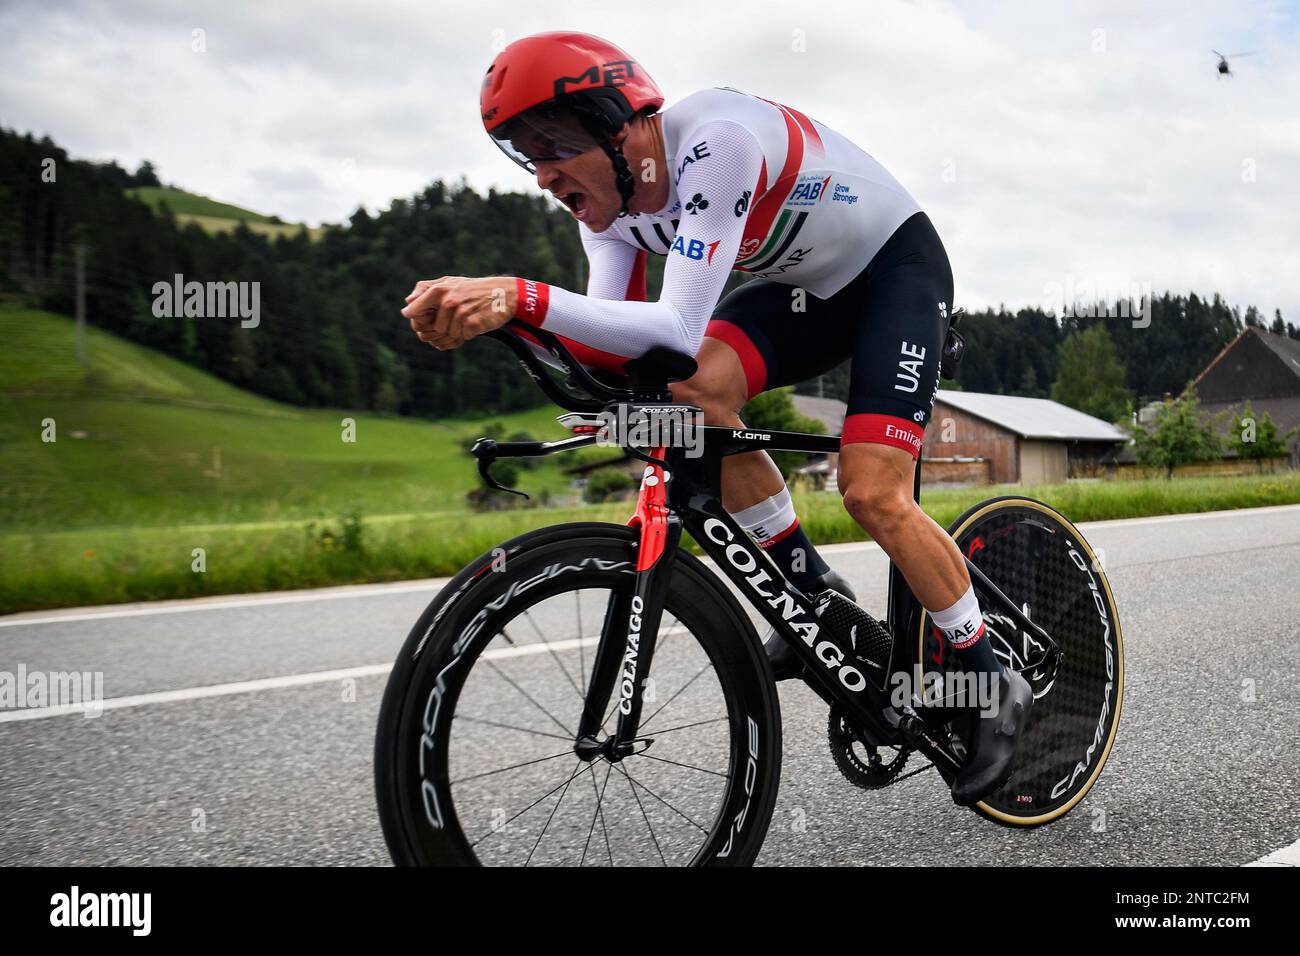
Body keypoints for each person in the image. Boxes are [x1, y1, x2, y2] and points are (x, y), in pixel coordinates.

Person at [401, 31, 1031, 805]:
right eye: (524, 153)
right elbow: (617, 343)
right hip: (801, 292)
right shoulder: (604, 210)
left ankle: (989, 672)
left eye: (554, 144)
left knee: (871, 492)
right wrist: (505, 325)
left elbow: (669, 327)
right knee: (689, 398)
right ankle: (812, 588)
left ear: (619, 122)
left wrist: (520, 296)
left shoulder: (716, 142)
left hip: (892, 270)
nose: (543, 173)